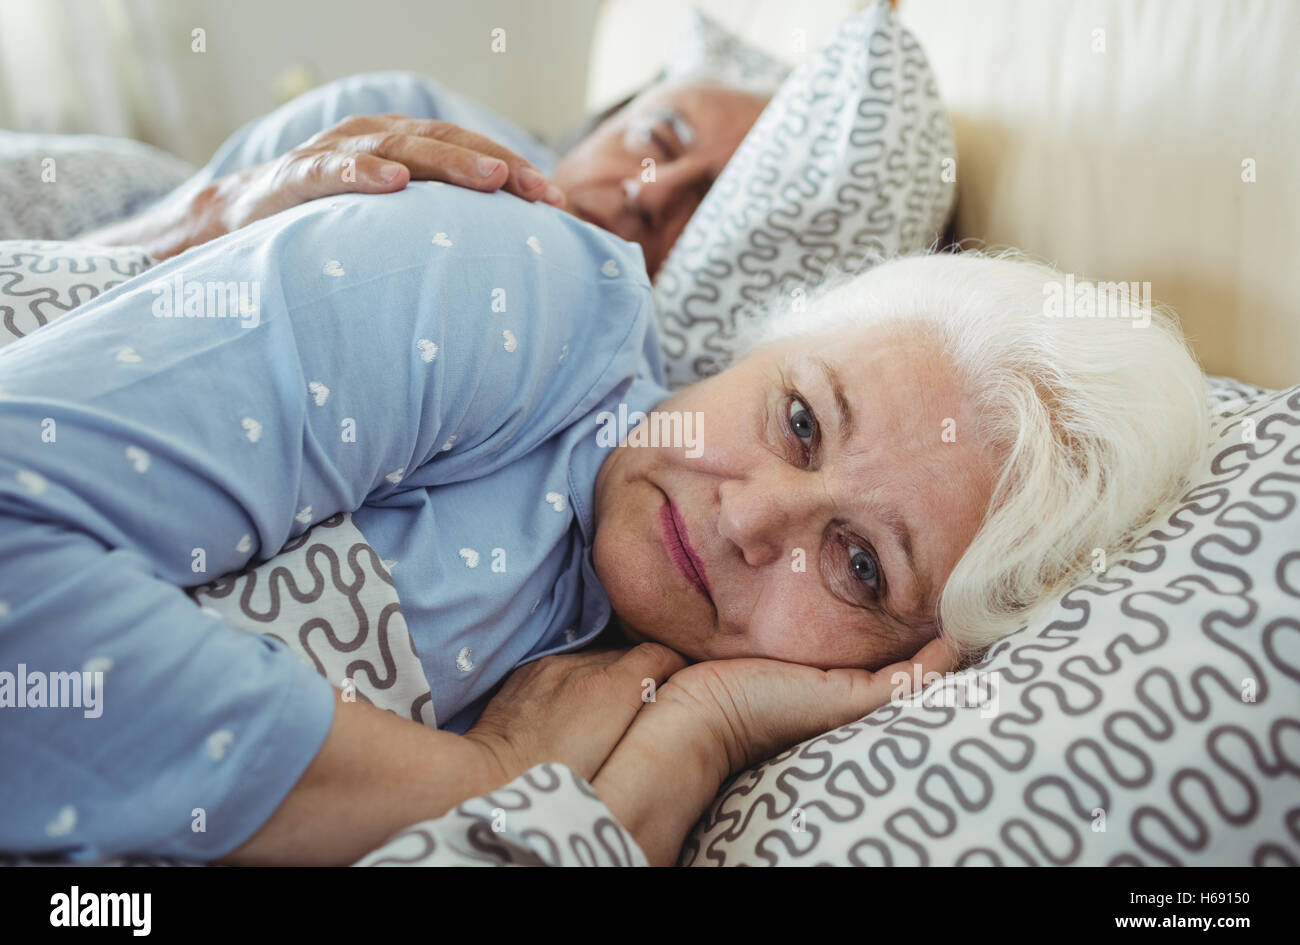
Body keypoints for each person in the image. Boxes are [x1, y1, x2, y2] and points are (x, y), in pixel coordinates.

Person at [0, 75, 1211, 869]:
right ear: (756, 345)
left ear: (899, 659)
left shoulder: (629, 682)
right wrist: (474, 780)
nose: (752, 517)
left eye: (855, 564)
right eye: (797, 418)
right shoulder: (515, 278)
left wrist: (692, 742)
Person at [79, 70, 773, 280]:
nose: (652, 191)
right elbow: (66, 278)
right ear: (599, 121)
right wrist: (220, 213)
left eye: (714, 208)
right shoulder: (386, 116)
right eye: (653, 140)